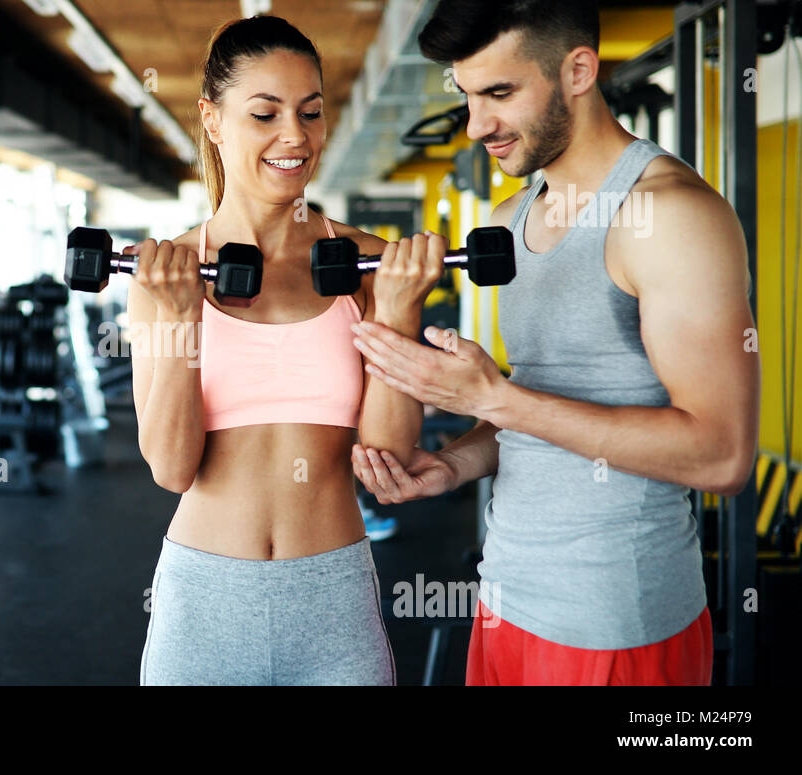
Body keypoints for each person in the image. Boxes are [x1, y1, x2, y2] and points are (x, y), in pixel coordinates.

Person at [350, 0, 759, 685]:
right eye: (469, 96)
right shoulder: (511, 218)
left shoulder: (670, 217)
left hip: (613, 623)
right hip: (507, 598)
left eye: (501, 94)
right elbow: (537, 401)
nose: (478, 125)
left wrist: (497, 399)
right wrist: (454, 464)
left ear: (578, 70)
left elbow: (722, 455)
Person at [134, 15, 446, 685]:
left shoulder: (367, 266)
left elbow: (385, 460)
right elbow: (170, 465)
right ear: (213, 120)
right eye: (265, 113)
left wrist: (396, 309)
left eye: (310, 112)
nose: (294, 136)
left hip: (332, 594)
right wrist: (183, 320)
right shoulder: (166, 272)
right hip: (203, 600)